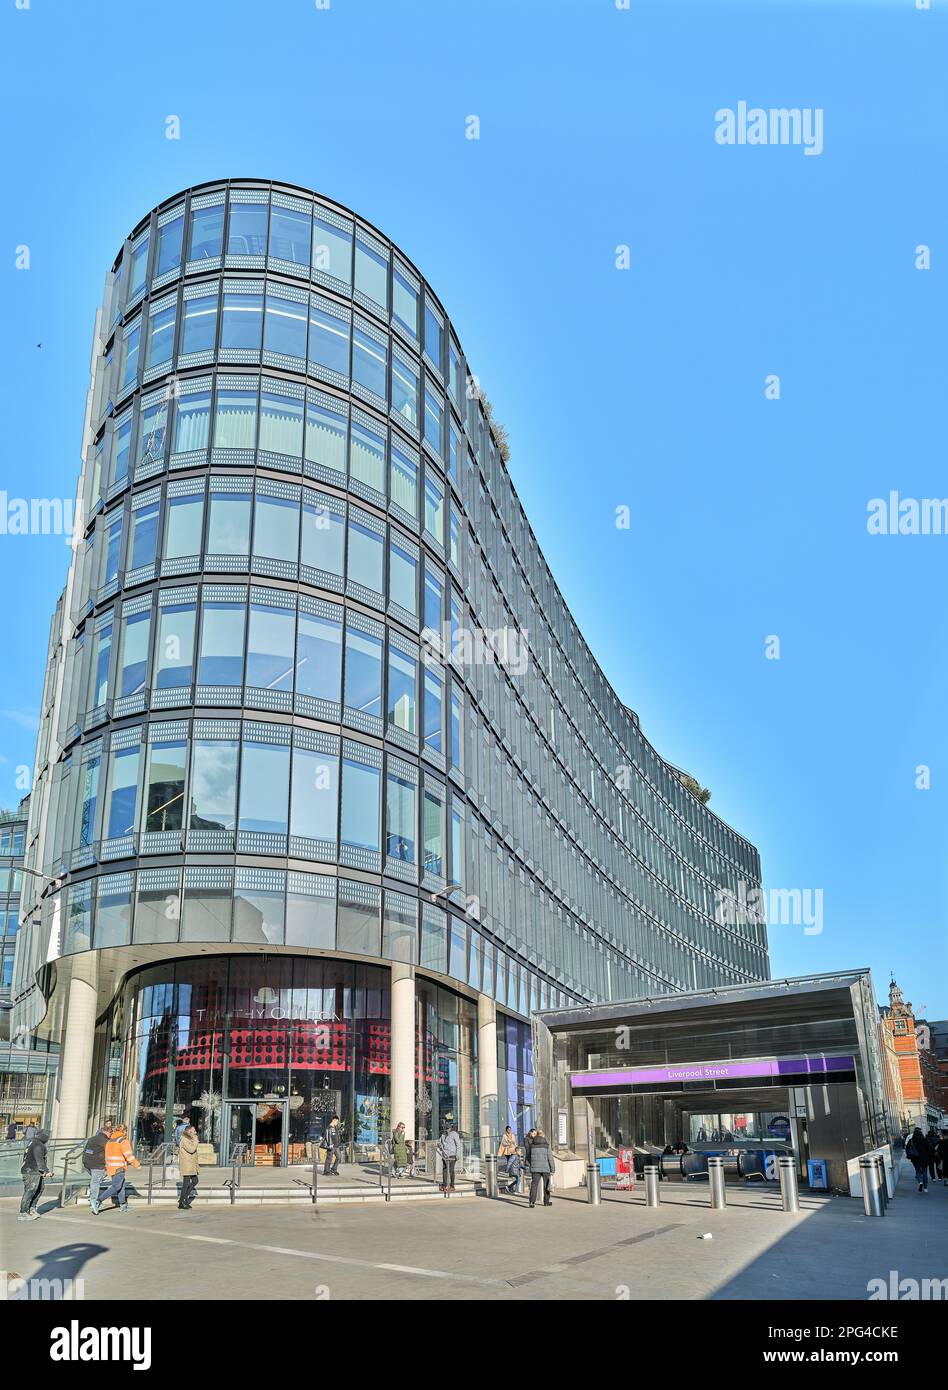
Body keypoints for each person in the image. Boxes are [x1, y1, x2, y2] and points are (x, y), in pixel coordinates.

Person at [102, 1124, 141, 1211]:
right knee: (116, 1186)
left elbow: (106, 1155)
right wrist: (136, 1165)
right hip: (119, 1167)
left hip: (111, 1167)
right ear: (124, 1131)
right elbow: (128, 1155)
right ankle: (98, 1200)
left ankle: (123, 1205)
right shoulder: (123, 1140)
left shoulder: (110, 1141)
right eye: (126, 1131)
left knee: (121, 1186)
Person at [18, 1127, 51, 1222]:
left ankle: (32, 1209)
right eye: (47, 1136)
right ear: (43, 1136)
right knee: (30, 1190)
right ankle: (23, 1212)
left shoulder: (33, 1142)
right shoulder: (38, 1145)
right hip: (31, 1171)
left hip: (33, 1171)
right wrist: (46, 1171)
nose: (48, 1139)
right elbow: (39, 1160)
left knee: (40, 1188)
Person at [83, 1120, 113, 1215]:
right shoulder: (105, 1141)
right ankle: (94, 1201)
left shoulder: (92, 1138)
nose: (111, 1135)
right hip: (97, 1164)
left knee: (95, 1181)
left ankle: (92, 1197)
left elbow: (86, 1150)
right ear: (107, 1132)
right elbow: (110, 1152)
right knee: (96, 1182)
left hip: (87, 1162)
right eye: (110, 1133)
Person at [527, 1128, 555, 1208]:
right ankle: (546, 1202)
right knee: (546, 1185)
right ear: (543, 1136)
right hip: (545, 1168)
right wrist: (552, 1169)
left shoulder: (532, 1145)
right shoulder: (547, 1146)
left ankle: (532, 1202)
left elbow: (528, 1157)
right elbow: (550, 1158)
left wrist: (531, 1164)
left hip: (535, 1168)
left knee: (534, 1185)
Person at [178, 1124, 200, 1209]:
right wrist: (195, 1141)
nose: (195, 1133)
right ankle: (182, 1202)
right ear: (189, 1131)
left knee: (195, 1180)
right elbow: (191, 1149)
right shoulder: (185, 1139)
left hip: (191, 1165)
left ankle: (184, 1198)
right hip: (187, 1165)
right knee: (186, 1184)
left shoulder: (188, 1139)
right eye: (194, 1131)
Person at [906, 1127, 934, 1192]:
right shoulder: (925, 1140)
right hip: (924, 1159)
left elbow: (907, 1149)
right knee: (924, 1172)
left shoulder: (911, 1141)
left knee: (918, 1171)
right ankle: (925, 1188)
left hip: (915, 1158)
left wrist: (909, 1156)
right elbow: (930, 1149)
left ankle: (920, 1182)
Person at [437, 1121, 463, 1191]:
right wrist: (440, 1146)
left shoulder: (454, 1134)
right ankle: (445, 1185)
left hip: (452, 1155)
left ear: (451, 1128)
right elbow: (440, 1143)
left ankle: (452, 1185)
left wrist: (457, 1155)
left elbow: (458, 1145)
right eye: (446, 1128)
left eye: (448, 1128)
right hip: (445, 1155)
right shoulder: (442, 1135)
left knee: (451, 1170)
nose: (447, 1129)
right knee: (445, 1170)